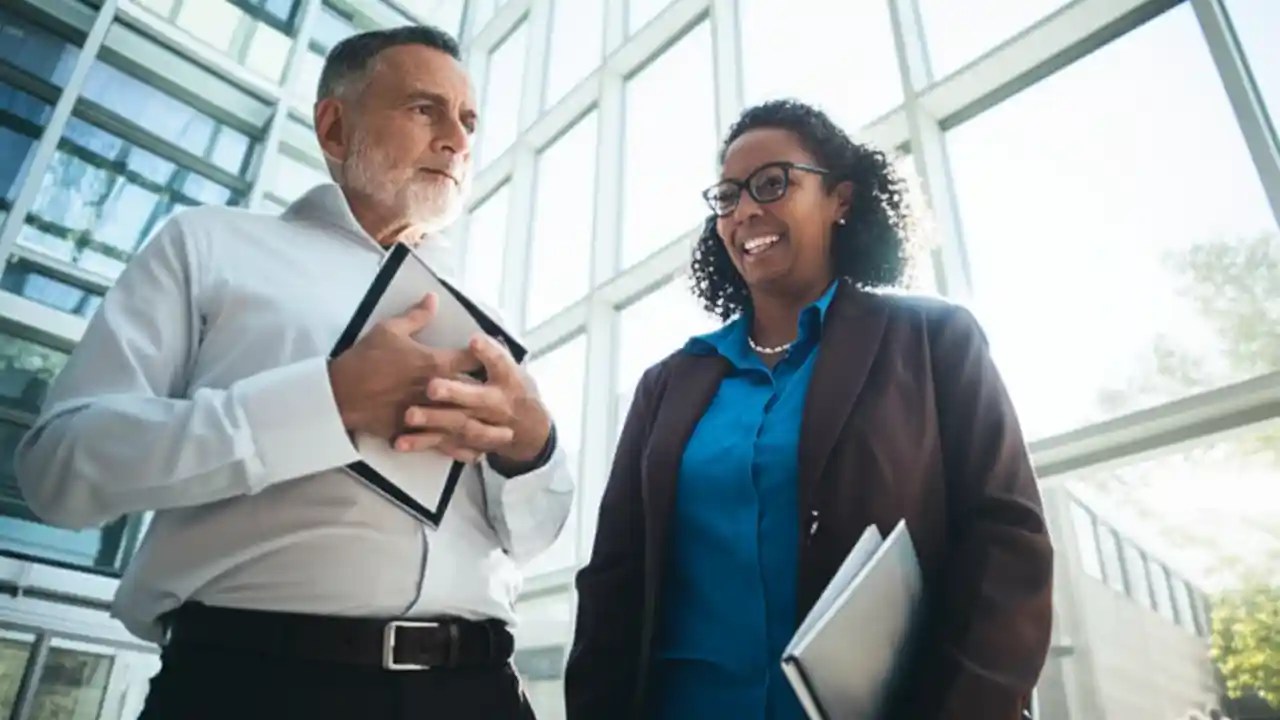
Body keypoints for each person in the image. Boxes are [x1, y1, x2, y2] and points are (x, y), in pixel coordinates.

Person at [15, 25, 573, 720]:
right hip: (256, 686)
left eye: (468, 120)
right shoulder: (209, 245)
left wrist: (533, 450)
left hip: (480, 689)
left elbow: (531, 540)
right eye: (424, 109)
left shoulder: (488, 317)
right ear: (335, 127)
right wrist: (327, 403)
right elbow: (58, 469)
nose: (457, 140)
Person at [565, 99, 1053, 720]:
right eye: (728, 196)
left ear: (840, 200)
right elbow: (614, 578)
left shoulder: (934, 343)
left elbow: (1005, 541)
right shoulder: (667, 385)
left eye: (773, 184)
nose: (745, 210)